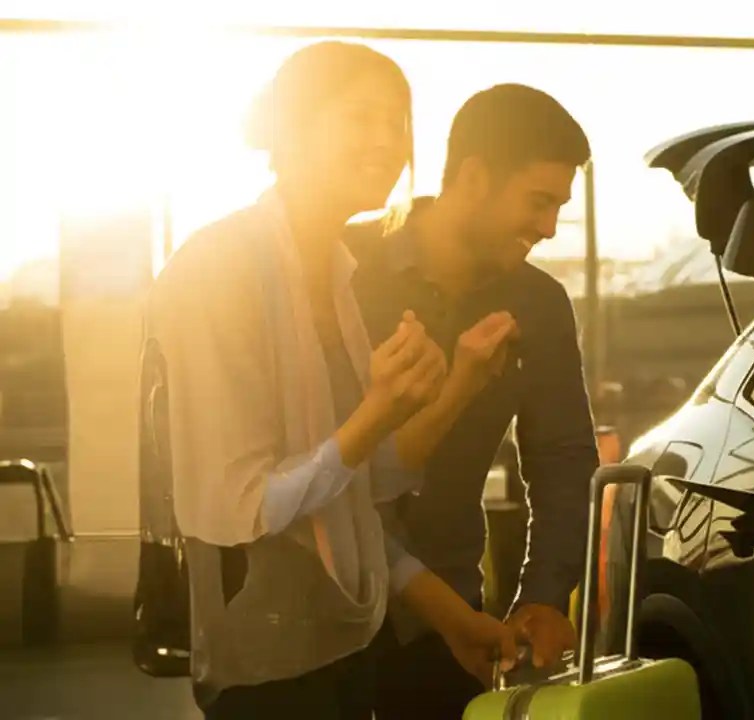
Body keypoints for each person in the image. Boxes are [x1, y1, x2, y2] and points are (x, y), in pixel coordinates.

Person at [146, 42, 511, 719]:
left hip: (345, 643)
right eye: (360, 117)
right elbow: (247, 506)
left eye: (399, 121)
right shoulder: (220, 267)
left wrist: (454, 385)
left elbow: (354, 492)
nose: (387, 141)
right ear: (292, 128)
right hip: (267, 673)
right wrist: (377, 411)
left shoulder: (337, 274)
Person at [349, 83, 599, 719]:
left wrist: (544, 594)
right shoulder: (344, 268)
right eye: (538, 201)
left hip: (451, 622)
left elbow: (563, 458)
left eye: (557, 209)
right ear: (474, 175)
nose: (547, 228)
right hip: (320, 613)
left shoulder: (539, 306)